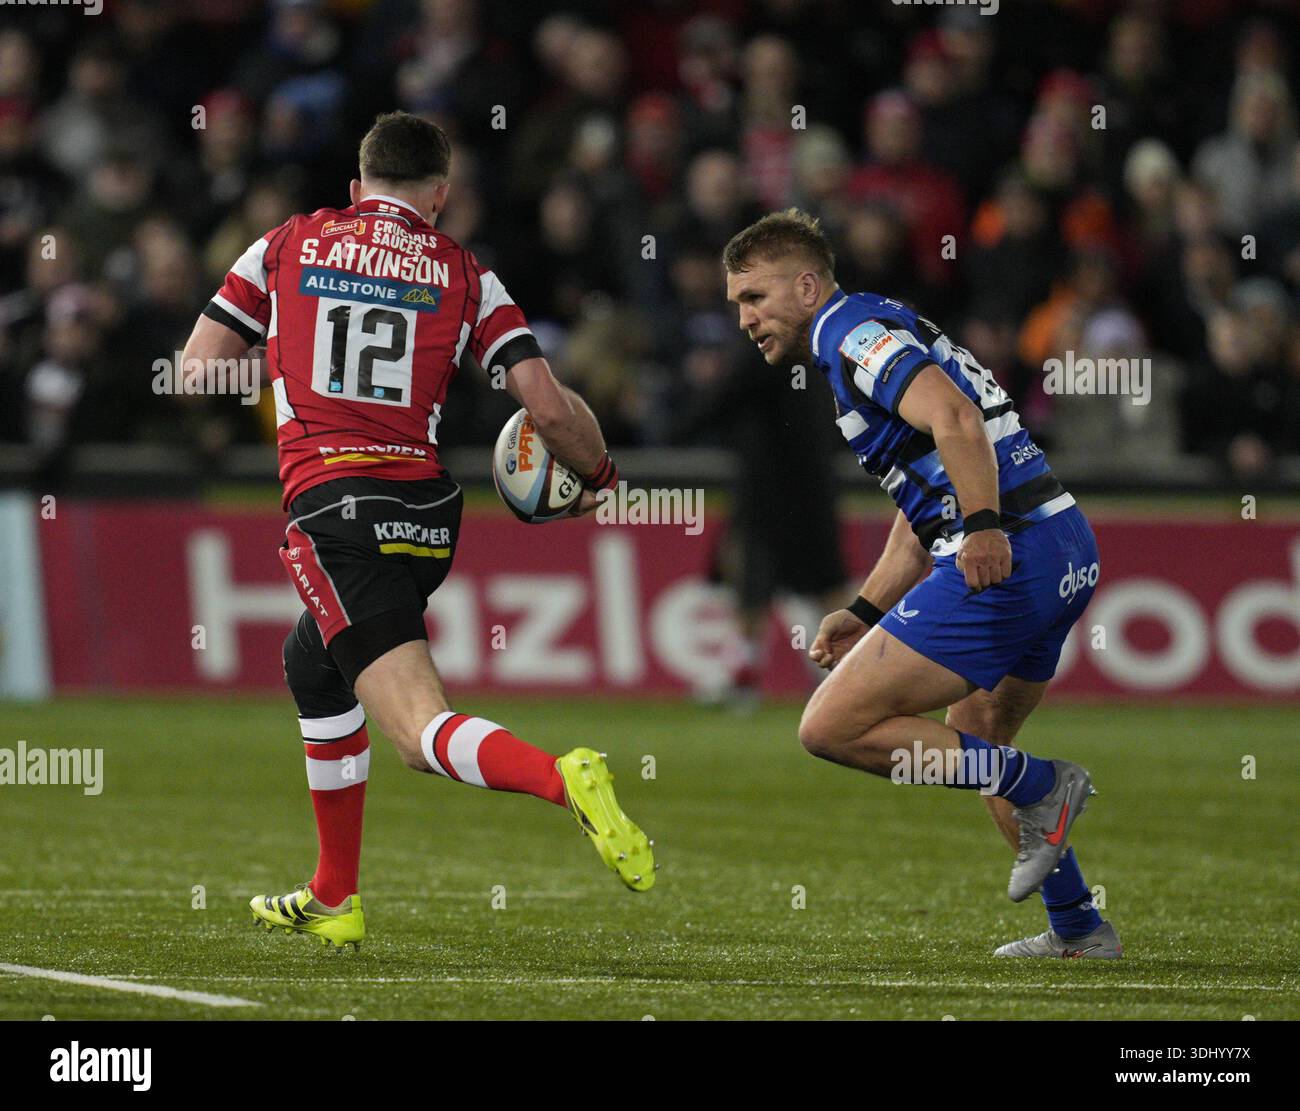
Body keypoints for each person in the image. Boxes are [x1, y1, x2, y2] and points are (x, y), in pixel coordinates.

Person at [180, 111, 654, 950]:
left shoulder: (289, 243)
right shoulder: (467, 273)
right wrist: (605, 482)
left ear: (357, 188)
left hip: (333, 507)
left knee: (416, 731)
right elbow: (546, 405)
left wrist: (291, 351)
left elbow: (195, 373)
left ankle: (562, 778)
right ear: (441, 196)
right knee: (314, 665)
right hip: (429, 514)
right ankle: (335, 893)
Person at [722, 208, 1119, 959]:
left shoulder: (847, 333)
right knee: (974, 737)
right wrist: (866, 609)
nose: (744, 318)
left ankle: (1042, 781)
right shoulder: (881, 324)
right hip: (1063, 543)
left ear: (807, 286)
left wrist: (983, 527)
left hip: (1014, 552)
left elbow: (957, 420)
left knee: (828, 728)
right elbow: (920, 510)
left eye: (754, 298)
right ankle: (1079, 927)